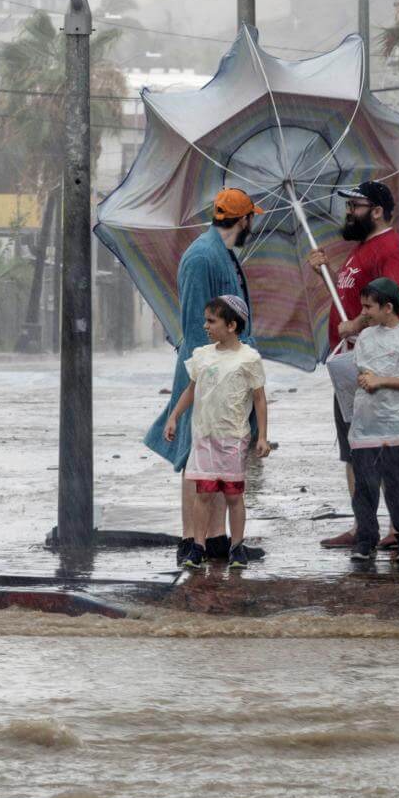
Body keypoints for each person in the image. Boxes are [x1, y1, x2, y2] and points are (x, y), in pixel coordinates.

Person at [146, 187, 264, 566]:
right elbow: (198, 325)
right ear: (243, 219)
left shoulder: (224, 254)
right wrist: (212, 373)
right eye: (252, 218)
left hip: (228, 370)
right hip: (207, 372)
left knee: (220, 452)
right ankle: (190, 540)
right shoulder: (202, 256)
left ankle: (215, 539)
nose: (253, 224)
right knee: (195, 456)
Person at [309, 180, 399, 548]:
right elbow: (353, 302)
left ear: (376, 210)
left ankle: (395, 529)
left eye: (355, 205)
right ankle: (363, 527)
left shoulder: (390, 247)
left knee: (385, 450)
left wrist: (356, 324)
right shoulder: (361, 249)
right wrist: (324, 273)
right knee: (354, 449)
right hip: (351, 366)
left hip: (380, 369)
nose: (348, 212)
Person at [163, 296, 270, 569]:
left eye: (212, 321)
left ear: (232, 325)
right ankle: (198, 547)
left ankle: (237, 547)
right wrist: (173, 417)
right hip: (204, 436)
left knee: (233, 495)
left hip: (233, 438)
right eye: (206, 320)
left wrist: (262, 437)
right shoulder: (202, 355)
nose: (206, 326)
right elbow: (191, 390)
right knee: (204, 494)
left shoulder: (248, 359)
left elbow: (259, 399)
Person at [345, 278, 399, 563]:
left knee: (398, 485)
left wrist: (381, 381)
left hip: (396, 424)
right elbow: (360, 372)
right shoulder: (366, 337)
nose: (364, 313)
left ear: (388, 307)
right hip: (364, 424)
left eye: (368, 307)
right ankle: (365, 539)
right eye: (362, 306)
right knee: (365, 486)